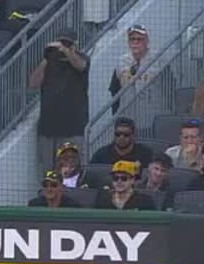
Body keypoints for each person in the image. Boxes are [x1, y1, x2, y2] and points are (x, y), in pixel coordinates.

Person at [30, 28, 89, 168]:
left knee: (73, 170)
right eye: (60, 43)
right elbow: (33, 84)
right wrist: (47, 59)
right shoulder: (50, 62)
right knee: (48, 171)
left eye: (67, 43)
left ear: (75, 44)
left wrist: (68, 51)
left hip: (73, 128)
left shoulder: (82, 58)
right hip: (48, 128)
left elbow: (81, 66)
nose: (62, 47)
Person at [108, 24, 153, 113]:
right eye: (132, 39)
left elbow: (169, 90)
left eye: (139, 39)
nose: (135, 42)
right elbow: (114, 90)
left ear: (147, 41)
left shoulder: (158, 60)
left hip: (151, 116)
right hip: (128, 117)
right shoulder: (121, 62)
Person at [89, 116, 154, 168]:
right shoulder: (101, 155)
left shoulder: (145, 154)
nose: (121, 137)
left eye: (126, 135)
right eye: (118, 134)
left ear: (133, 136)